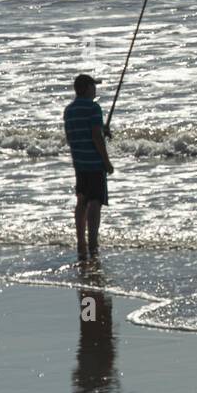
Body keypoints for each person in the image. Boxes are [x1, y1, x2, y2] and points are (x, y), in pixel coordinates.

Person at [64, 74, 114, 259]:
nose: (95, 89)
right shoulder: (93, 108)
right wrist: (107, 162)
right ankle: (93, 243)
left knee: (82, 200)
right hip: (94, 163)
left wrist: (101, 130)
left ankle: (81, 241)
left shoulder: (69, 110)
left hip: (79, 163)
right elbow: (96, 137)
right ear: (85, 88)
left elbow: (71, 137)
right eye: (93, 86)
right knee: (95, 202)